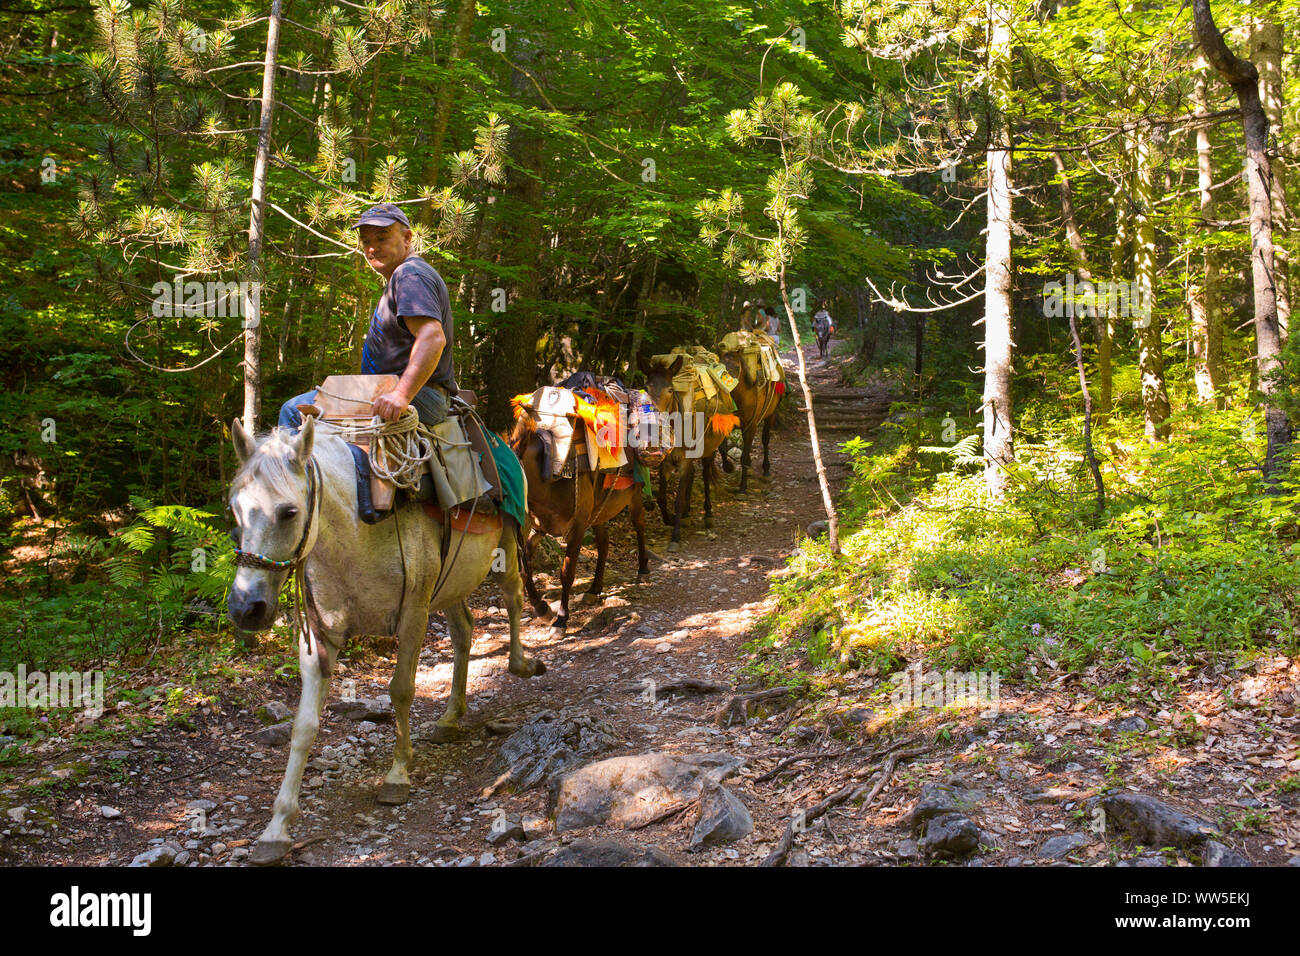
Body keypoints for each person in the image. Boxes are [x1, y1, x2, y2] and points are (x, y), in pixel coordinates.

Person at [278, 202, 457, 431]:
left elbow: (432, 337)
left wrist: (401, 394)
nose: (372, 248)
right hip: (408, 391)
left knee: (293, 411)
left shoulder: (409, 274)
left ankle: (287, 467)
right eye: (366, 241)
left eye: (381, 238)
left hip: (420, 395)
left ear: (407, 238)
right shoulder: (406, 275)